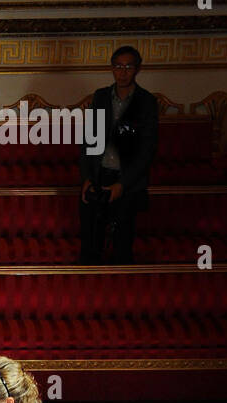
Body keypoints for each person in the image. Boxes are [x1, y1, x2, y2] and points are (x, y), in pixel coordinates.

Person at [80, 45, 159, 264]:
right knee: (90, 240)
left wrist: (123, 184)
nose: (122, 72)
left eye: (128, 67)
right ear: (112, 69)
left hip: (127, 180)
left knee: (123, 244)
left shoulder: (146, 102)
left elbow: (147, 150)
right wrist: (87, 176)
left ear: (137, 69)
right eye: (118, 66)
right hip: (100, 174)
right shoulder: (101, 97)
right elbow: (89, 140)